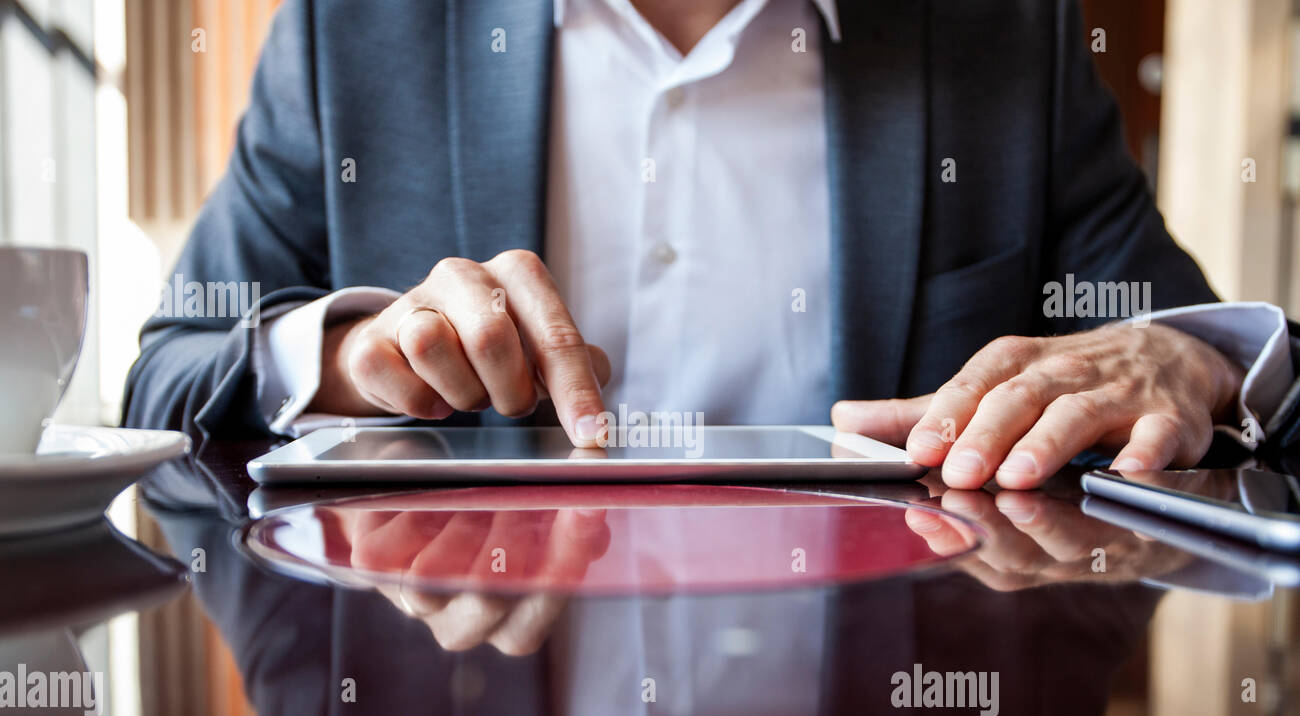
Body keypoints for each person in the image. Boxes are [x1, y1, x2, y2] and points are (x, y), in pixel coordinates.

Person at [122, 0, 1293, 489]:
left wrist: (1191, 357)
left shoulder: (999, 33)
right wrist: (337, 356)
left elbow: (1202, 365)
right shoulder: (356, 28)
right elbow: (164, 372)